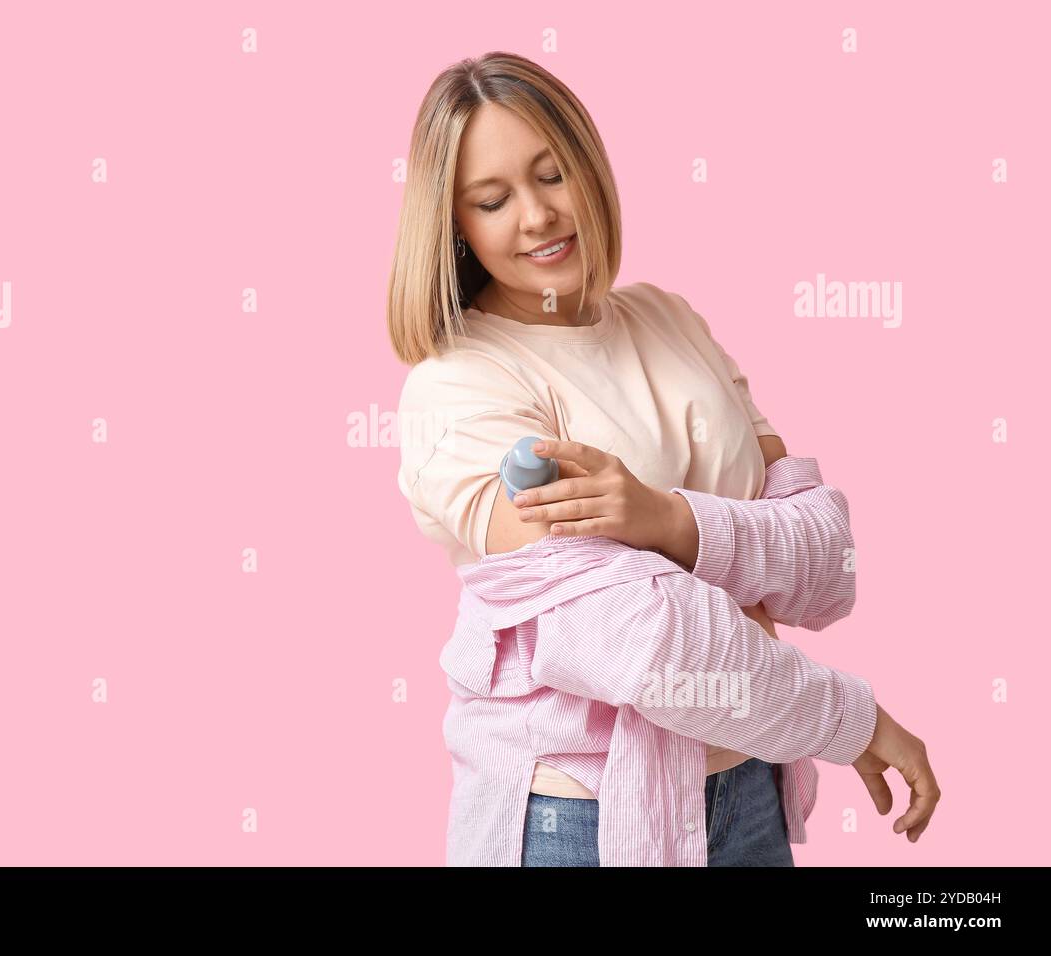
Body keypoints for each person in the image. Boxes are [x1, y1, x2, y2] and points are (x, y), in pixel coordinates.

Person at [386, 51, 939, 865]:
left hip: (751, 787)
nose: (537, 215)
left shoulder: (668, 320)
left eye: (552, 174)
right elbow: (646, 644)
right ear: (455, 225)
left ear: (589, 167)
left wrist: (666, 523)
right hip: (575, 818)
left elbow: (828, 566)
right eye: (493, 200)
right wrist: (849, 718)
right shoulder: (460, 387)